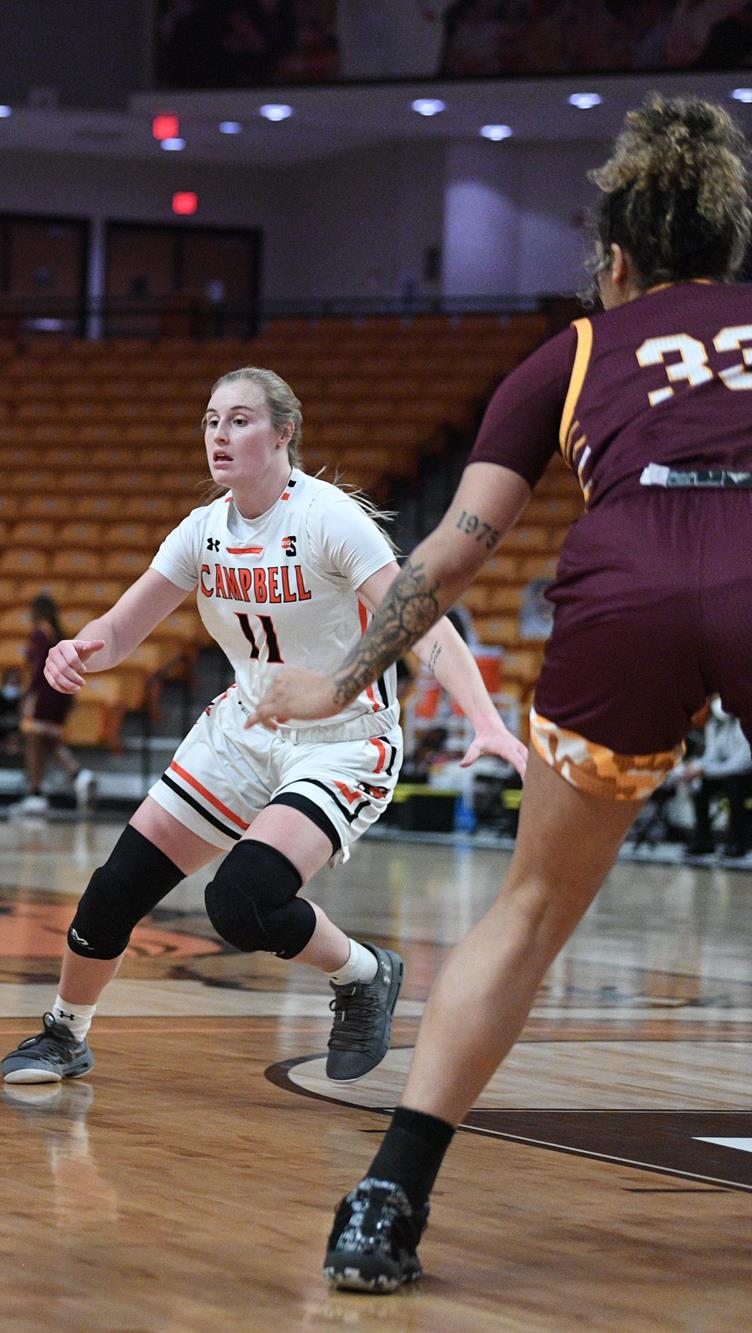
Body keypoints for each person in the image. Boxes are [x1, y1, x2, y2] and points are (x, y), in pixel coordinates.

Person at [249, 97, 752, 1292]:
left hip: (625, 575)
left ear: (614, 259)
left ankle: (385, 1203)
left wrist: (334, 677)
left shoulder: (572, 351)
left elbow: (446, 556)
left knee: (526, 913)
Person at [0, 366, 526, 1092]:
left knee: (241, 900)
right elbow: (122, 628)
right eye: (211, 419)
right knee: (113, 891)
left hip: (344, 737)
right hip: (244, 730)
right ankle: (65, 1032)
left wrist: (487, 721)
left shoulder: (328, 518)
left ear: (284, 432)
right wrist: (80, 647)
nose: (219, 434)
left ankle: (364, 972)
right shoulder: (203, 530)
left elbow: (420, 619)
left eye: (240, 419)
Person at [18, 593, 94, 814]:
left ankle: (35, 793)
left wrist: (30, 698)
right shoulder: (58, 634)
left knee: (33, 741)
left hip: (43, 693)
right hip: (59, 693)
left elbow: (37, 670)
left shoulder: (40, 634)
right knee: (48, 740)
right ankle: (79, 775)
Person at [680, 701, 750, 858]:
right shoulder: (714, 726)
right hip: (725, 774)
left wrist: (704, 770)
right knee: (701, 786)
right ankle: (703, 840)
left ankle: (737, 842)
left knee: (735, 786)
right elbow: (711, 756)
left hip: (745, 775)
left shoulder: (744, 725)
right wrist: (695, 768)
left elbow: (741, 764)